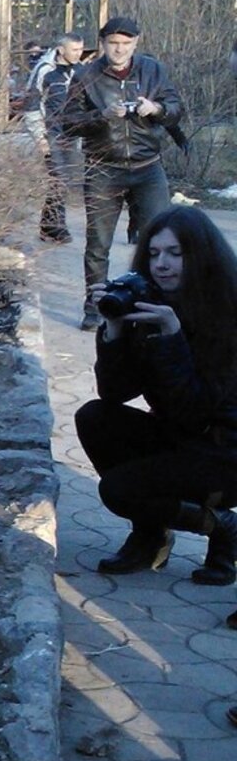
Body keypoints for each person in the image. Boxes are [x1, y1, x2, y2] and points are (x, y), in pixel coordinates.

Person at [79, 207, 237, 588]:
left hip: (224, 454)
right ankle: (151, 539)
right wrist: (114, 329)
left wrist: (170, 337)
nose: (161, 264)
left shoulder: (228, 313)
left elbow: (193, 412)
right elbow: (115, 393)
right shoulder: (152, 300)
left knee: (118, 489)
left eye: (175, 253)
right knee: (95, 417)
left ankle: (222, 523)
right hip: (183, 440)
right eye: (153, 253)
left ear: (200, 255)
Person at [60, 16, 183, 330]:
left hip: (147, 167)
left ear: (136, 43)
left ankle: (155, 305)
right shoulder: (86, 75)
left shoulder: (153, 69)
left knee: (162, 241)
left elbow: (175, 108)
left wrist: (156, 109)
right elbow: (68, 123)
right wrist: (101, 116)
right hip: (104, 169)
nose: (119, 49)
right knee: (98, 244)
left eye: (126, 43)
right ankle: (95, 307)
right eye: (113, 43)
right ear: (102, 44)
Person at [36, 33, 85, 243]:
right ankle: (57, 228)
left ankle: (48, 226)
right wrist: (41, 139)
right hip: (52, 134)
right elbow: (32, 106)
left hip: (72, 135)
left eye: (81, 49)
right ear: (61, 50)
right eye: (74, 50)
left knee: (64, 181)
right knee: (59, 179)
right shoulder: (45, 72)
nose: (79, 53)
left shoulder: (82, 72)